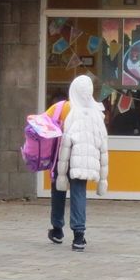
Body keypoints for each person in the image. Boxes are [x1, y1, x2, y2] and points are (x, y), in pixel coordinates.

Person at [49, 74, 109, 251]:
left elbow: (62, 137)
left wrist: (61, 169)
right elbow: (104, 144)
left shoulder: (68, 110)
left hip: (66, 159)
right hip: (87, 162)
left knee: (58, 189)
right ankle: (79, 236)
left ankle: (57, 229)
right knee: (79, 192)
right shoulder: (97, 114)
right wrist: (103, 177)